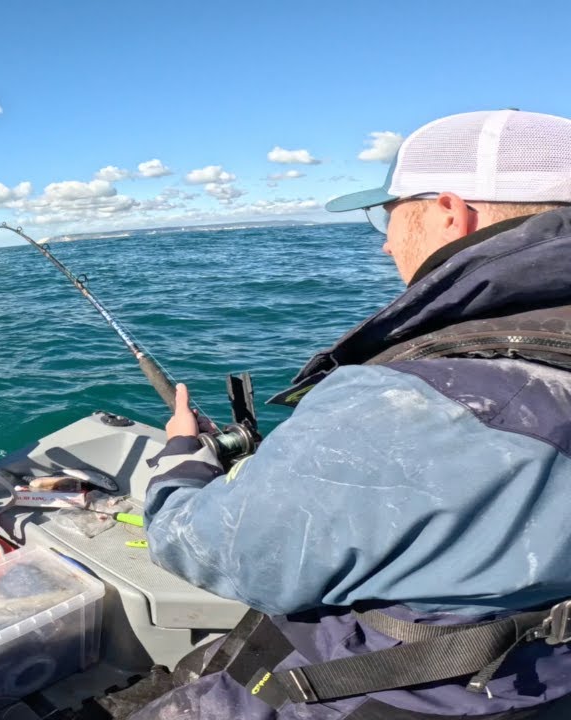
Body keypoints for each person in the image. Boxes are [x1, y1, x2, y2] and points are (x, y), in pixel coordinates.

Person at [132, 109, 571, 719]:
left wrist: (181, 461)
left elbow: (218, 553)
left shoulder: (413, 398)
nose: (387, 241)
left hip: (411, 693)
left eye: (388, 216)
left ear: (452, 212)